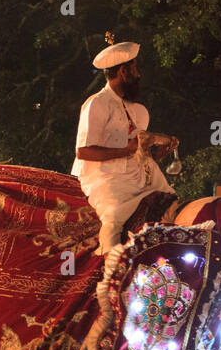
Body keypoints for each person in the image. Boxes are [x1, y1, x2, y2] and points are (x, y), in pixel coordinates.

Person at [72, 36, 178, 255]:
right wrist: (126, 150)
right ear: (123, 72)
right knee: (113, 217)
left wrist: (158, 154)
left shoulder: (133, 109)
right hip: (104, 178)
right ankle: (107, 270)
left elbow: (137, 155)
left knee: (173, 203)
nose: (138, 74)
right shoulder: (97, 103)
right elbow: (83, 151)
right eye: (134, 68)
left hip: (135, 175)